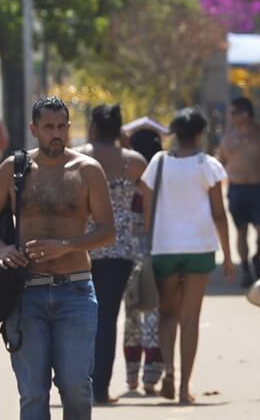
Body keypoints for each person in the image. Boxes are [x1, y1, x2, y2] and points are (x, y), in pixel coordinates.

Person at [0, 96, 115, 420]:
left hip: (76, 291)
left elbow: (108, 231)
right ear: (34, 129)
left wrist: (67, 246)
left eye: (61, 127)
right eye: (48, 127)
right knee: (33, 392)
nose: (56, 133)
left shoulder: (87, 170)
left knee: (76, 385)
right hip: (26, 293)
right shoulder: (14, 169)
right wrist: (2, 249)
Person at [139, 107, 234, 404]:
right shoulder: (208, 165)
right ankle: (184, 388)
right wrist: (228, 254)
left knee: (167, 313)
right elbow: (219, 214)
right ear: (200, 133)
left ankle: (169, 371)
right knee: (190, 318)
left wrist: (150, 237)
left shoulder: (158, 162)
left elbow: (146, 205)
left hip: (164, 247)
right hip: (199, 248)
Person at [77, 104, 147, 405]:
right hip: (120, 248)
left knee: (78, 316)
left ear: (93, 126)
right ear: (120, 128)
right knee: (107, 318)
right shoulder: (133, 162)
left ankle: (74, 381)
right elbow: (149, 198)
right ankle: (100, 389)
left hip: (82, 245)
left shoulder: (78, 157)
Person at [120, 118, 168, 394]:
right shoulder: (160, 181)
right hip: (156, 250)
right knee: (154, 314)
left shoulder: (128, 179)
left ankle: (131, 377)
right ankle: (152, 376)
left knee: (132, 315)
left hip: (128, 252)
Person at [218, 97, 260, 287]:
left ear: (245, 114)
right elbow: (219, 164)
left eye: (233, 113)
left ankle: (257, 257)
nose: (230, 117)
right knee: (241, 230)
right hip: (237, 190)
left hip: (259, 190)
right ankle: (246, 268)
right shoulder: (228, 138)